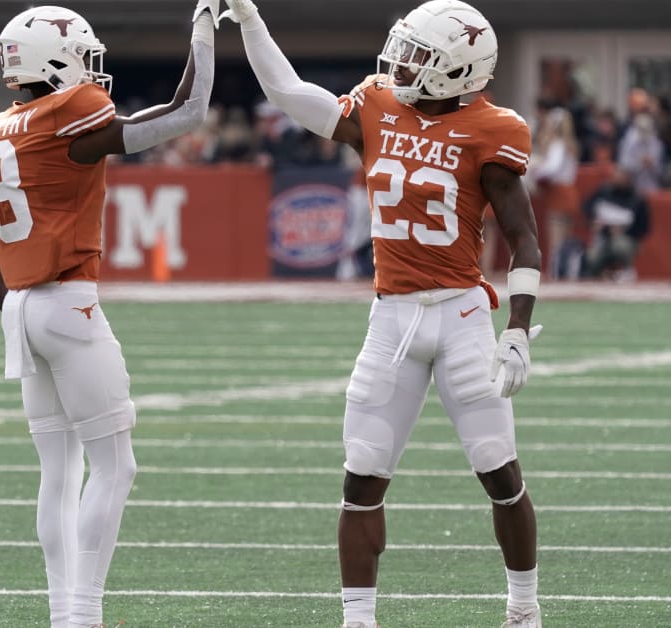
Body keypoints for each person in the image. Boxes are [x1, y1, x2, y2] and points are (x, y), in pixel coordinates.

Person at [222, 1, 543, 626]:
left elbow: (523, 239)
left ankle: (524, 610)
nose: (402, 63)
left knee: (497, 467)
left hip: (460, 317)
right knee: (362, 475)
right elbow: (290, 92)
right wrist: (250, 18)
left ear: (461, 69)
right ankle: (358, 620)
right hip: (391, 318)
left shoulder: (493, 128)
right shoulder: (377, 102)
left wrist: (519, 331)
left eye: (421, 55)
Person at [0, 3, 217, 627]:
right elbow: (187, 113)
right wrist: (204, 29)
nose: (91, 71)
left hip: (21, 308)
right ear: (53, 60)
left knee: (58, 469)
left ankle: (62, 614)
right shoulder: (68, 113)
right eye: (83, 56)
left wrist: (21, 313)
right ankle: (83, 617)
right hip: (68, 301)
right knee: (114, 464)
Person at [529, 106, 580, 279]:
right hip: (570, 190)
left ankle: (554, 273)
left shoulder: (558, 144)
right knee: (565, 237)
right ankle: (565, 272)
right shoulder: (570, 144)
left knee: (556, 239)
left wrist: (533, 170)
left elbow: (551, 168)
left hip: (559, 192)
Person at [582, 168, 651, 279]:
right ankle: (601, 275)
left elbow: (644, 227)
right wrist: (592, 221)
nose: (619, 180)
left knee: (620, 245)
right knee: (591, 256)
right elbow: (586, 206)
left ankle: (626, 270)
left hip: (626, 239)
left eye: (622, 177)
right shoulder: (603, 192)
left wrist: (625, 232)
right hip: (602, 239)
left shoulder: (638, 199)